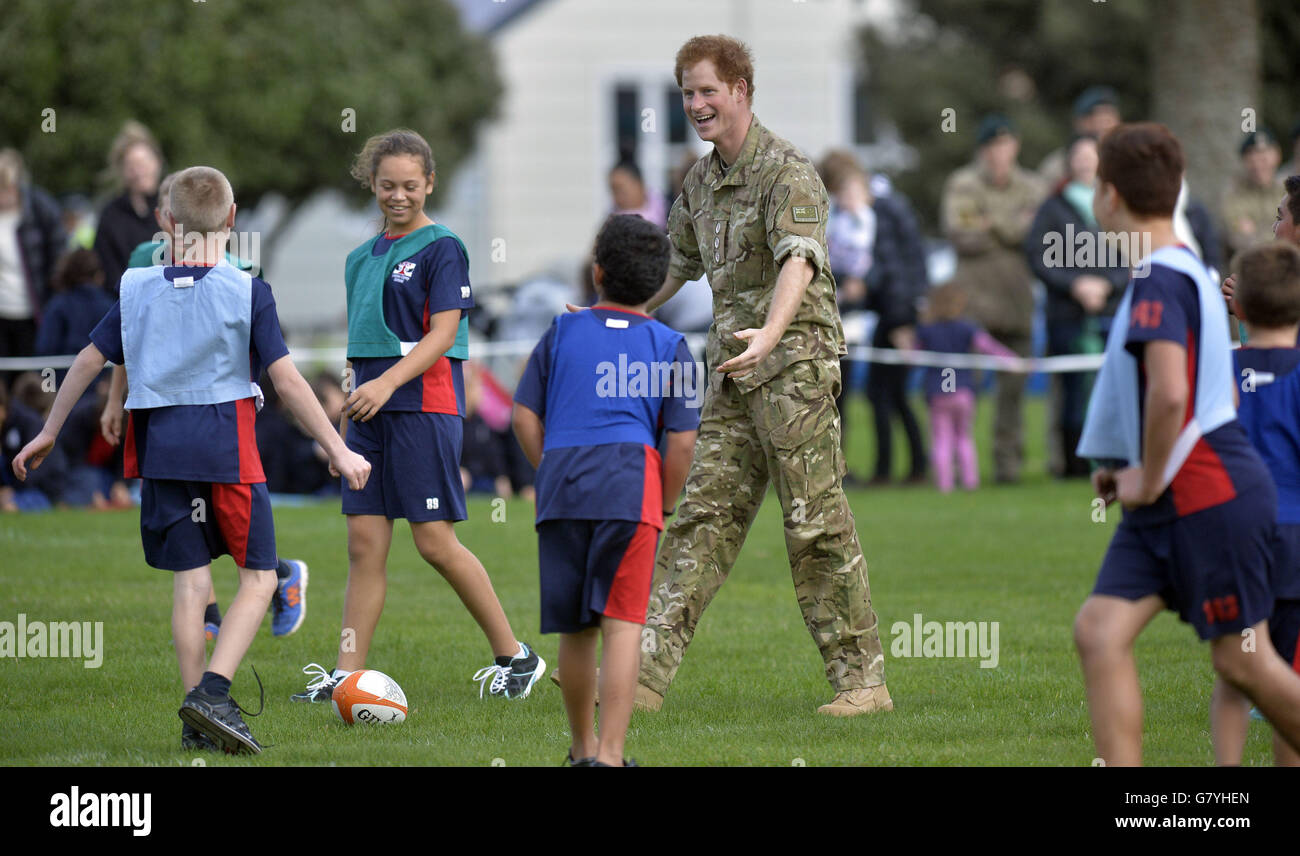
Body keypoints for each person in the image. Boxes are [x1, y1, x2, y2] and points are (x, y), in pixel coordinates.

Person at [11, 166, 371, 754]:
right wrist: (339, 448)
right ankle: (213, 694)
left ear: (165, 221)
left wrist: (49, 430)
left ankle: (194, 717)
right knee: (259, 578)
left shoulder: (135, 287)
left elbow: (87, 360)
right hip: (227, 451)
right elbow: (286, 381)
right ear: (232, 220)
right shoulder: (248, 291)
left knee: (191, 582)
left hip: (159, 454)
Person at [626, 35, 892, 716]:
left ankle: (863, 684)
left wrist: (771, 334)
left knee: (813, 522)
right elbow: (676, 265)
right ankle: (640, 679)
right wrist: (621, 310)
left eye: (708, 91)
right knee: (701, 519)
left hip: (794, 369)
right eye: (688, 93)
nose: (696, 104)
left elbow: (799, 260)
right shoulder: (699, 181)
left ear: (741, 90)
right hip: (732, 375)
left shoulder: (788, 172)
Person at [291, 129, 545, 704]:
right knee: (363, 547)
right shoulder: (359, 259)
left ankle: (516, 657)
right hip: (368, 416)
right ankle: (345, 677)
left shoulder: (444, 247)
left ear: (429, 182)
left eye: (410, 185)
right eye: (388, 185)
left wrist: (387, 384)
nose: (398, 195)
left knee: (433, 543)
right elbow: (357, 353)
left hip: (423, 408)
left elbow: (445, 334)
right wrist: (340, 436)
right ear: (371, 184)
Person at [1073, 123, 1300, 766]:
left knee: (1242, 661)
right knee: (1099, 632)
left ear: (1110, 196)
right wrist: (1129, 469)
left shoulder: (1162, 277)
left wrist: (1145, 476)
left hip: (1208, 492)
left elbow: (1171, 393)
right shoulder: (1182, 268)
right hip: (1172, 493)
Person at [513, 214, 699, 766]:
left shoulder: (561, 331)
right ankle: (612, 758)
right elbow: (682, 443)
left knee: (575, 631)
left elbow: (523, 417)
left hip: (563, 487)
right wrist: (663, 503)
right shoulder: (672, 345)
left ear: (596, 273)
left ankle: (581, 751)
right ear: (660, 281)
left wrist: (550, 470)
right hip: (628, 486)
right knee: (622, 628)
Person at [102, 171, 310, 641]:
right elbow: (128, 340)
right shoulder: (141, 269)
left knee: (229, 544)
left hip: (219, 425)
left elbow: (276, 366)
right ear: (164, 219)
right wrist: (117, 399)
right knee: (194, 557)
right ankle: (215, 624)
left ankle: (273, 578)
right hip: (167, 424)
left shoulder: (239, 275)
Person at [1213, 241, 1300, 766]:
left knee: (1235, 669)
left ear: (1238, 305)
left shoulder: (1217, 374)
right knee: (1286, 675)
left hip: (1237, 535)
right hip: (1295, 540)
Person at [941, 115, 1045, 483]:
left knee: (1014, 391)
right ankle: (958, 467)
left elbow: (1035, 234)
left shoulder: (1033, 185)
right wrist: (1012, 222)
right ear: (982, 149)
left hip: (1017, 301)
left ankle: (1008, 466)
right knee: (962, 390)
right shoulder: (962, 183)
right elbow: (962, 233)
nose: (999, 153)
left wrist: (989, 221)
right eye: (992, 145)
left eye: (1006, 144)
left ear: (1015, 146)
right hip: (973, 303)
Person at [1026, 134, 1128, 478]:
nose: (1085, 162)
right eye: (1079, 155)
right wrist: (1075, 285)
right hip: (1066, 315)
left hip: (1112, 313)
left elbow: (1132, 254)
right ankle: (1074, 465)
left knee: (1113, 388)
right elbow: (1039, 256)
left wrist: (1107, 285)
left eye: (1091, 155)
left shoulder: (1117, 204)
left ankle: (1114, 458)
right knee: (1071, 391)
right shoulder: (1053, 208)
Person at [912, 283, 1017, 493]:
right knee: (963, 437)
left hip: (938, 393)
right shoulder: (967, 327)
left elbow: (913, 357)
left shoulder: (926, 330)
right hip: (962, 392)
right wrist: (1013, 361)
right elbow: (989, 347)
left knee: (941, 439)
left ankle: (945, 484)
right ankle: (970, 482)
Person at [0, 149, 66, 374]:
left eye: (8, 187)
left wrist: (53, 296)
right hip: (2, 311)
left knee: (33, 377)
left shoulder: (40, 208)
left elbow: (59, 255)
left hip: (35, 310)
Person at [92, 121, 164, 296]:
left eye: (144, 162)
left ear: (157, 162)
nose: (139, 171)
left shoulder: (175, 206)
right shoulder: (110, 215)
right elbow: (108, 272)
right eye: (132, 165)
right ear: (122, 170)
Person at [1222, 130, 1287, 269]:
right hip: (1250, 267)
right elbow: (1239, 238)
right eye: (1252, 159)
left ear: (1277, 155)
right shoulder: (1235, 193)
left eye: (1264, 158)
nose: (1258, 165)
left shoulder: (1288, 189)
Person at [1037, 86, 1121, 187]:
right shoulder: (1057, 165)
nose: (1105, 124)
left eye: (1110, 117)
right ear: (1080, 123)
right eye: (1097, 118)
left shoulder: (1126, 159)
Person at [608, 161, 667, 229]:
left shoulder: (667, 211)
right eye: (614, 192)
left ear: (639, 185)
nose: (617, 198)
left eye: (621, 190)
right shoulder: (611, 224)